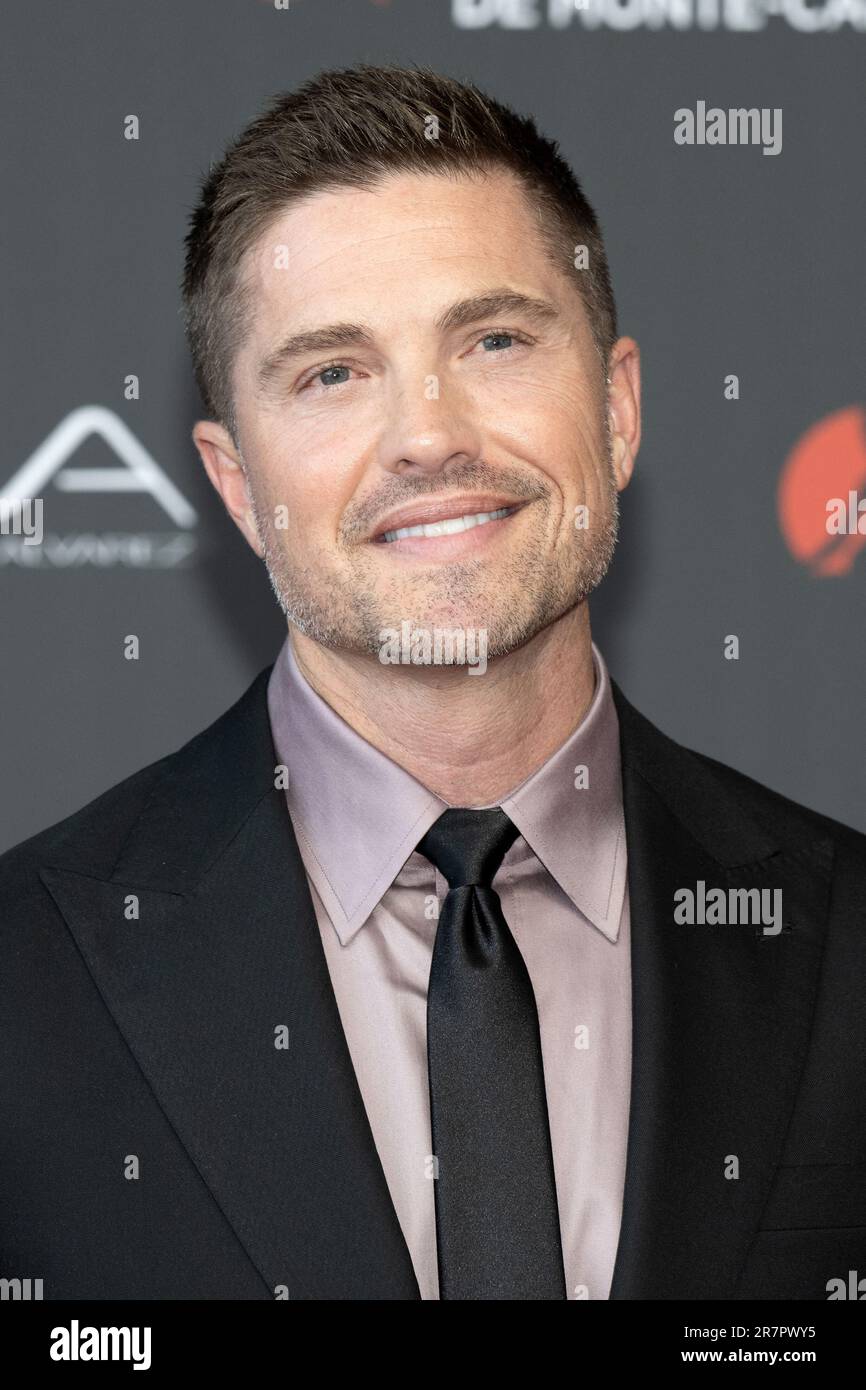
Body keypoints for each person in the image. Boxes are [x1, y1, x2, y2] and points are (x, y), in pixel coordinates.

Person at [1, 64, 864, 1302]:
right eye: (332, 373)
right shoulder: (24, 974)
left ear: (615, 410)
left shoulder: (844, 937)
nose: (428, 433)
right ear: (237, 485)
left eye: (495, 340)